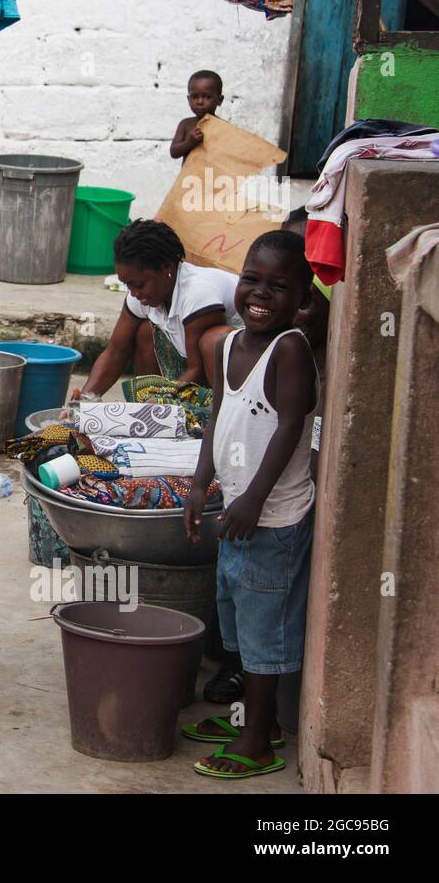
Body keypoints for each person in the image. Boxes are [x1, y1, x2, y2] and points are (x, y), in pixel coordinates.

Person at [182, 231, 318, 779]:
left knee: (264, 636)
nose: (260, 294)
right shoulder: (229, 345)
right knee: (236, 621)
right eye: (251, 280)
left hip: (274, 520)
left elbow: (290, 429)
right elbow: (219, 415)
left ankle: (259, 740)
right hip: (237, 512)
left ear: (302, 299)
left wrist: (255, 499)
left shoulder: (290, 349)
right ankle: (251, 721)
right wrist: (199, 484)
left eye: (278, 286)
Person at [75, 219, 242, 398]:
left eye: (139, 284)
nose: (133, 293)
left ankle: (216, 414)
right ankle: (149, 401)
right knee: (145, 332)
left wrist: (161, 403)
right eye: (127, 285)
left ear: (166, 268)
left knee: (213, 340)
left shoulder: (197, 294)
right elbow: (115, 352)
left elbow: (198, 370)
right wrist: (85, 400)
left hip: (246, 365)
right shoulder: (140, 294)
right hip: (193, 359)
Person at [169, 69, 224, 161]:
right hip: (189, 175)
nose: (200, 102)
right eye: (194, 97)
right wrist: (189, 143)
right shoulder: (185, 124)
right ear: (188, 99)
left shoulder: (222, 126)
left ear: (219, 100)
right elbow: (173, 152)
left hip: (213, 174)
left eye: (207, 97)